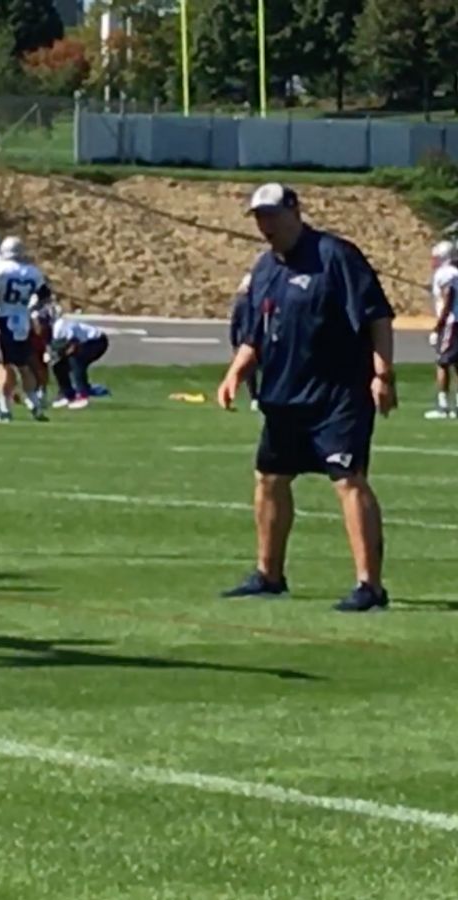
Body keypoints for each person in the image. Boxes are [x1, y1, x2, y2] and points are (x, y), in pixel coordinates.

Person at [216, 183, 396, 613]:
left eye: (272, 215)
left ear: (295, 213)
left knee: (348, 480)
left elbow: (376, 316)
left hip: (337, 396)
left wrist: (383, 374)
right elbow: (255, 335)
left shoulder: (335, 256)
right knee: (269, 479)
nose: (266, 225)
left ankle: (370, 586)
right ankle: (269, 574)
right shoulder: (265, 269)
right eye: (260, 217)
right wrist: (235, 373)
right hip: (284, 397)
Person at [0, 236, 54, 423]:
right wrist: (31, 309)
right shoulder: (33, 272)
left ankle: (4, 410)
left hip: (3, 320)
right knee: (23, 366)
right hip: (23, 321)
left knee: (3, 365)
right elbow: (45, 296)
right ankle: (34, 404)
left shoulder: (0, 269)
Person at [46, 315, 108, 409]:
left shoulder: (62, 326)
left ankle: (82, 395)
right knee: (58, 365)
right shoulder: (47, 331)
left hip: (96, 341)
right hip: (81, 343)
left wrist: (59, 355)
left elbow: (73, 346)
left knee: (76, 361)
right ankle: (67, 394)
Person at [426, 240, 457, 420]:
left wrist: (438, 326)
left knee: (442, 362)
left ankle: (443, 406)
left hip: (451, 323)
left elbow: (448, 297)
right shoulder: (455, 272)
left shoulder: (445, 273)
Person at [228, 272, 259, 412]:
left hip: (246, 339)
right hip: (258, 338)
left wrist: (234, 341)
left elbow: (234, 323)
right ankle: (257, 397)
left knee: (249, 371)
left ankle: (254, 397)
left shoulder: (241, 302)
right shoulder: (258, 299)